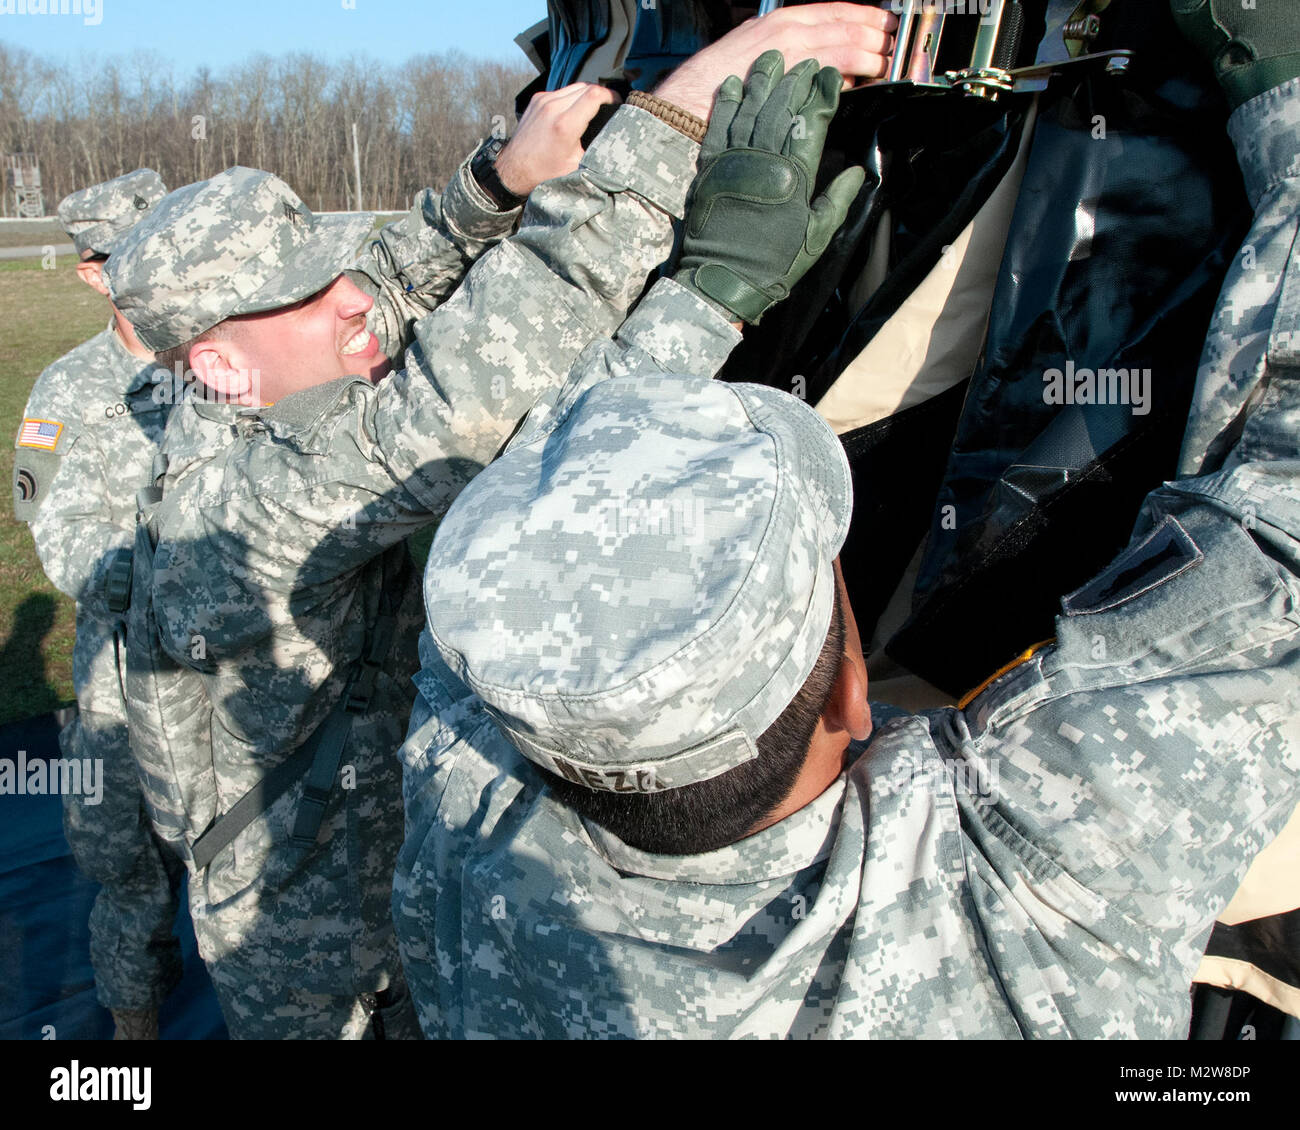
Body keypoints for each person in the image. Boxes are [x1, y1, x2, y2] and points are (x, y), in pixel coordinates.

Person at [391, 15, 1300, 1038]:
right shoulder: (1017, 887)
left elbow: (533, 543)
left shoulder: (465, 828)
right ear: (856, 695)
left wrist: (708, 289)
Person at [106, 4, 897, 1040]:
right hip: (332, 970)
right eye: (313, 296)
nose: (357, 301)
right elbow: (501, 431)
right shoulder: (245, 518)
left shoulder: (243, 393)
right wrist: (682, 180)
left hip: (400, 870)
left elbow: (383, 283)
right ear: (218, 362)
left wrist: (497, 181)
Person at [13, 169, 186, 1040]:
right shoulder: (65, 392)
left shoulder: (227, 359)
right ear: (92, 271)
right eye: (132, 254)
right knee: (127, 862)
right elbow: (51, 520)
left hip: (236, 665)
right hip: (124, 666)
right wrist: (147, 574)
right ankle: (135, 1026)